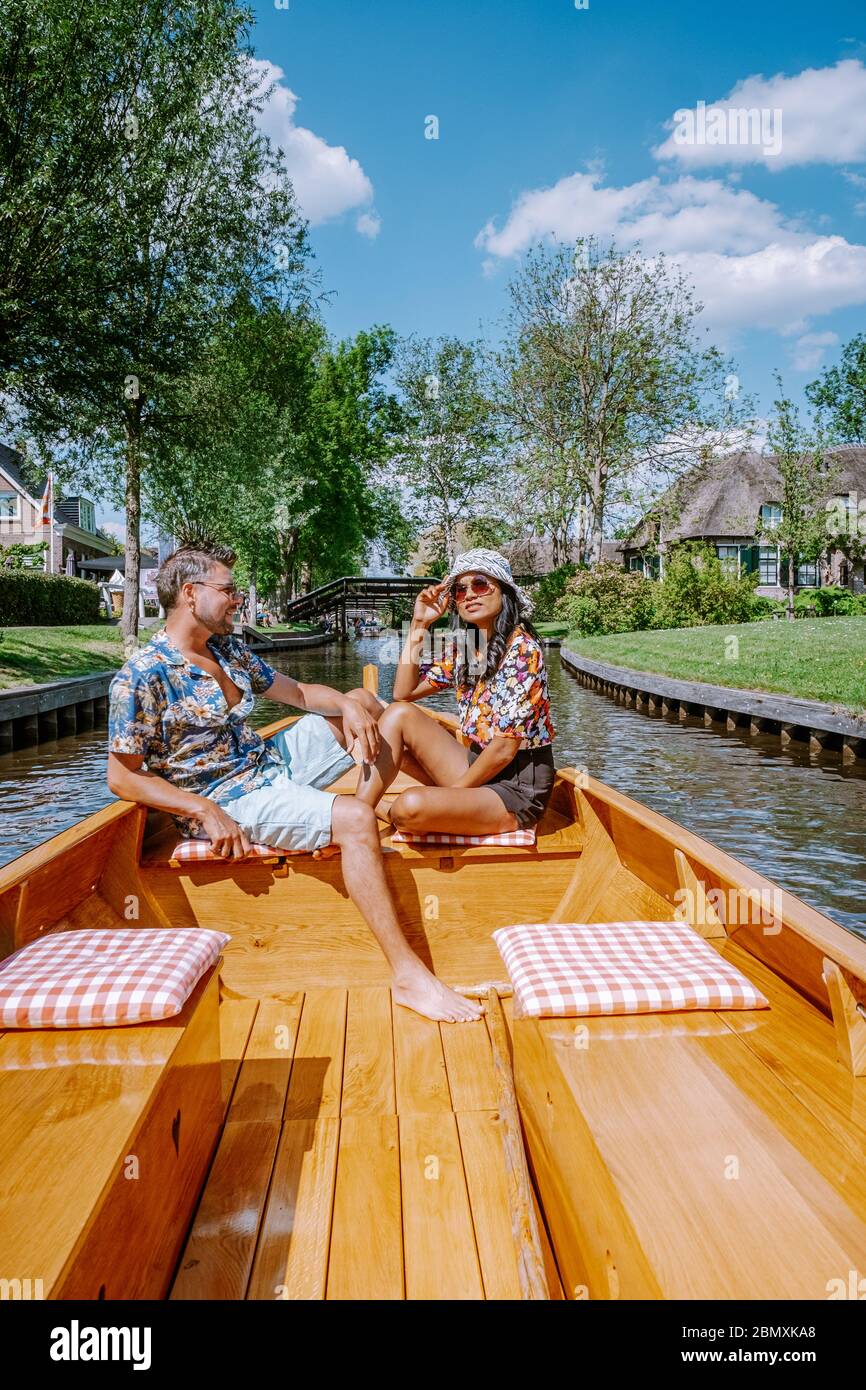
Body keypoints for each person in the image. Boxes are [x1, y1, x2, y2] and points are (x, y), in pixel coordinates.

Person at [106, 544, 480, 1024]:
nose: (238, 599)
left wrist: (346, 703)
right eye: (229, 590)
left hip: (268, 763)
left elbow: (301, 694)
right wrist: (203, 809)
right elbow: (122, 776)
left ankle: (450, 801)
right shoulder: (141, 676)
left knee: (365, 700)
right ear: (190, 594)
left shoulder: (227, 648)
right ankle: (408, 976)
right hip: (227, 797)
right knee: (354, 816)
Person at [356, 548, 555, 835]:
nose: (470, 594)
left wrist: (451, 796)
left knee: (408, 807)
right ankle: (355, 817)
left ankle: (386, 812)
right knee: (394, 713)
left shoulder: (522, 651)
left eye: (480, 584)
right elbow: (403, 693)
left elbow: (503, 750)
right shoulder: (467, 648)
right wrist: (420, 623)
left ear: (504, 592)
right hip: (477, 765)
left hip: (517, 788)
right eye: (460, 590)